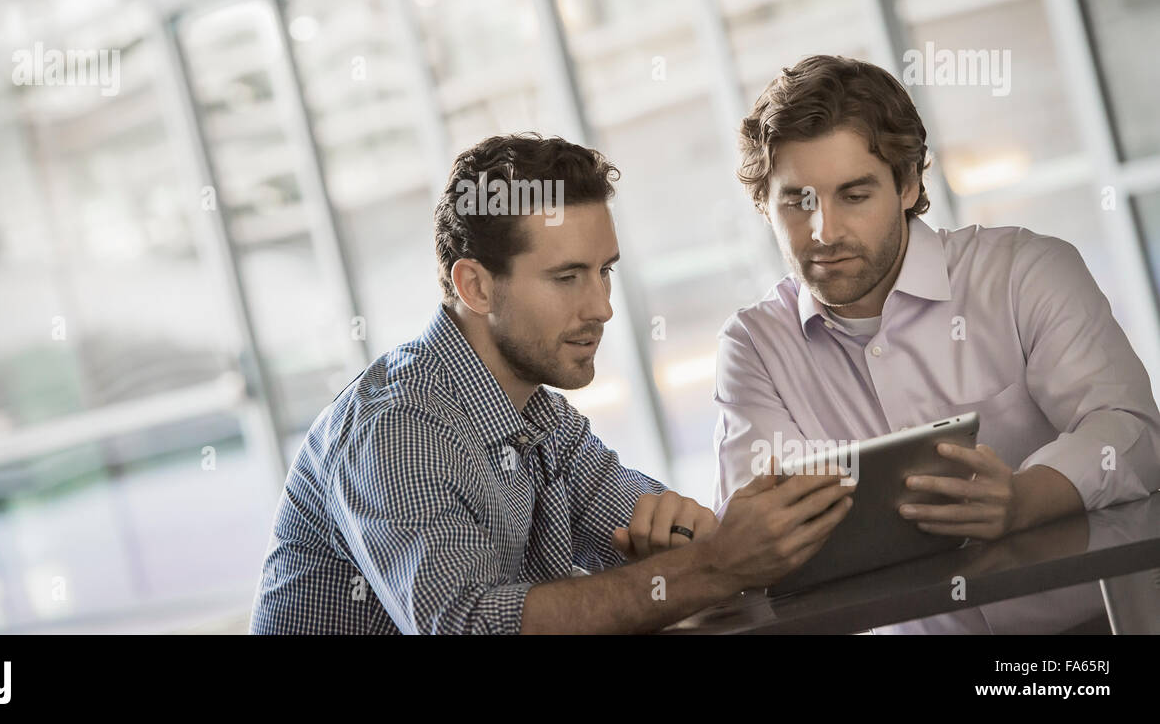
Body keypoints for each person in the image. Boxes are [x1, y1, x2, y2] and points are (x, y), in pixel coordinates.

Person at [251, 133, 853, 634]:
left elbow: (663, 535)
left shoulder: (544, 421)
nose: (602, 308)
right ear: (476, 288)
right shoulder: (395, 429)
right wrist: (714, 566)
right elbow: (471, 625)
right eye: (567, 277)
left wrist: (708, 544)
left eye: (604, 272)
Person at [714, 54, 1160, 633]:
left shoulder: (1024, 271)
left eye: (854, 194)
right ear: (763, 207)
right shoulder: (753, 346)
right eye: (798, 201)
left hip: (1092, 637)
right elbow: (758, 535)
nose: (824, 231)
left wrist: (1025, 498)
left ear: (908, 184)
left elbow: (1132, 432)